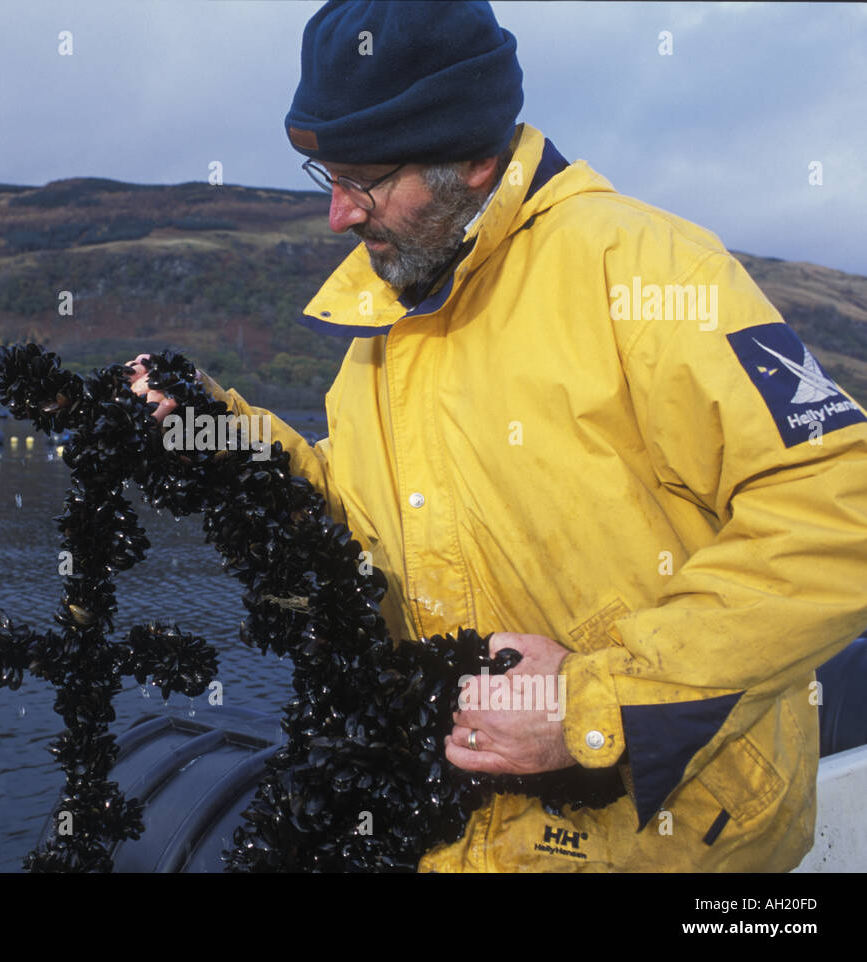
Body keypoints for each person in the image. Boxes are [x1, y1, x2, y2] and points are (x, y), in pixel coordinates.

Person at [127, 0, 867, 872]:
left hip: (666, 843)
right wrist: (225, 443)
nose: (337, 215)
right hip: (460, 830)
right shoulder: (382, 332)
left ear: (474, 158)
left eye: (363, 179)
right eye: (320, 174)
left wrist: (598, 701)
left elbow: (839, 513)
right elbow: (360, 538)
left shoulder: (646, 272)